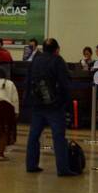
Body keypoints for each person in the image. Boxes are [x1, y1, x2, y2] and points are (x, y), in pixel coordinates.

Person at [23, 38, 73, 175]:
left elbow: (27, 81)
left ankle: (31, 164)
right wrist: (68, 105)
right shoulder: (58, 61)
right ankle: (62, 169)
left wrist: (27, 100)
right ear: (57, 49)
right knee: (58, 137)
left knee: (34, 135)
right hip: (55, 106)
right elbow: (64, 84)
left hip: (37, 105)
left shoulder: (35, 60)